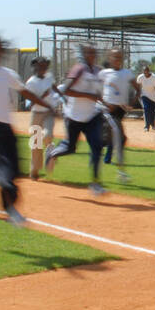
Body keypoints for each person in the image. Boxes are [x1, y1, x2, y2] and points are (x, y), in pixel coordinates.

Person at [0, 32, 52, 225]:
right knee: (5, 176)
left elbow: (25, 92)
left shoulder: (7, 74)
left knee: (15, 172)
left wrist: (46, 106)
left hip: (6, 128)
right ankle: (12, 211)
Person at [45, 44, 108, 196]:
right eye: (89, 53)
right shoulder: (79, 69)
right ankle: (52, 154)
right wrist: (88, 95)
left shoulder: (98, 71)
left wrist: (104, 101)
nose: (92, 55)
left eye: (94, 52)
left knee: (97, 147)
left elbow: (98, 93)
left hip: (91, 116)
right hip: (74, 116)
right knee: (70, 148)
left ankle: (95, 183)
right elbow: (65, 90)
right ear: (84, 54)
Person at [99, 48, 136, 181]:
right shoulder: (104, 73)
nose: (117, 59)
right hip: (107, 110)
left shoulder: (127, 73)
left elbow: (137, 88)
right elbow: (96, 90)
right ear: (110, 58)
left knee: (114, 139)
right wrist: (105, 103)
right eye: (115, 57)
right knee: (119, 136)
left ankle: (107, 160)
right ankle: (121, 173)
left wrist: (131, 103)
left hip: (119, 110)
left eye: (120, 57)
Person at [24, 55, 61, 181]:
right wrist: (43, 96)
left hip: (48, 112)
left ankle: (50, 152)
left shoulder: (49, 77)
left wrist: (63, 97)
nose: (43, 68)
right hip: (36, 113)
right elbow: (31, 103)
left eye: (45, 66)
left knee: (47, 135)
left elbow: (53, 86)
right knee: (35, 144)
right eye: (40, 66)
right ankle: (34, 171)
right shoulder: (31, 82)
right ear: (35, 67)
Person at [135, 64, 155, 131]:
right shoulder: (140, 77)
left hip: (153, 96)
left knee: (152, 112)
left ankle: (153, 124)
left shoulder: (154, 77)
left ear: (149, 71)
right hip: (144, 95)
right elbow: (138, 85)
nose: (145, 73)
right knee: (146, 109)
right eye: (144, 71)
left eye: (146, 71)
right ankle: (146, 126)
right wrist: (138, 92)